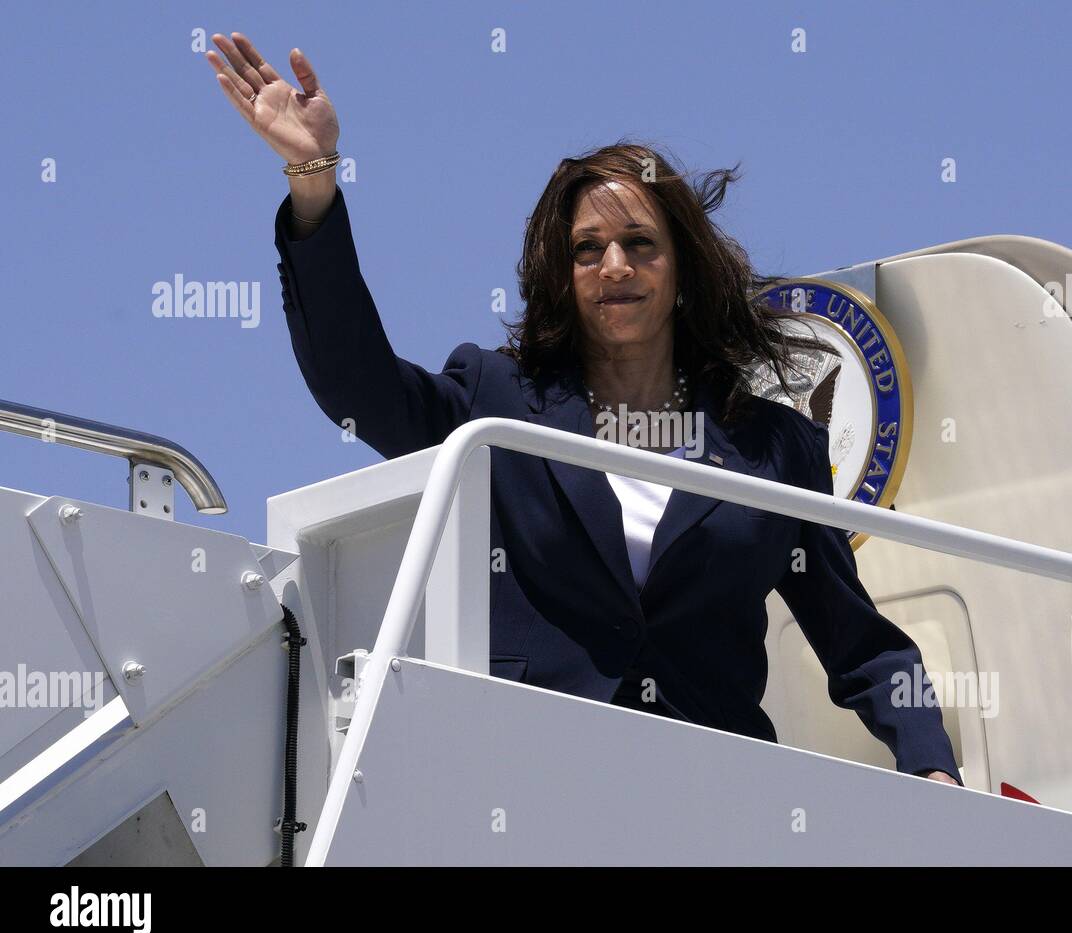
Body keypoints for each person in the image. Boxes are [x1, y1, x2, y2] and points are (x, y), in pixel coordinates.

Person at [205, 32, 962, 786]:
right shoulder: (493, 402)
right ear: (561, 275)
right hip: (525, 781)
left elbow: (858, 640)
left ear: (682, 270)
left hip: (714, 797)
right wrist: (314, 184)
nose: (615, 266)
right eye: (587, 248)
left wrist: (932, 766)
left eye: (640, 242)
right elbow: (355, 386)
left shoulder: (775, 448)